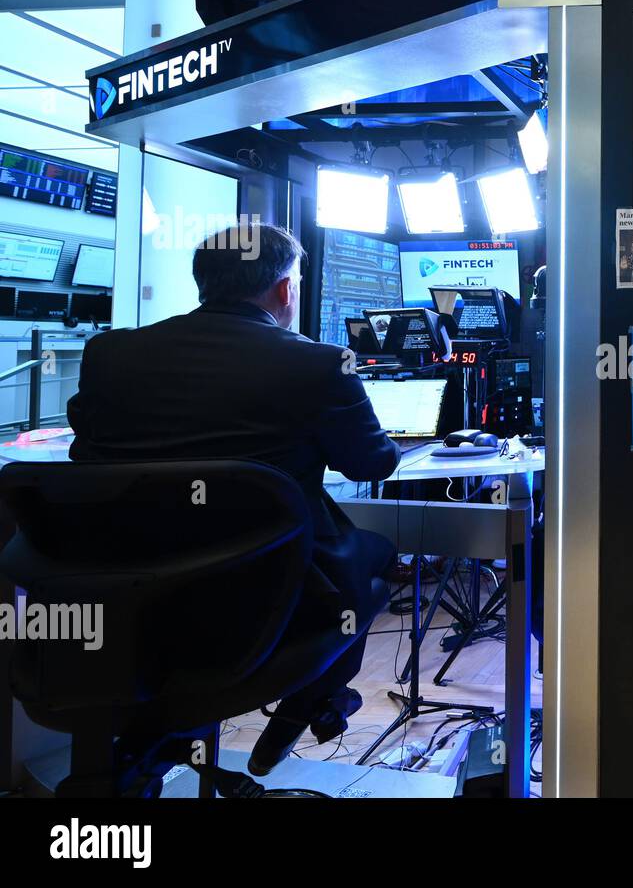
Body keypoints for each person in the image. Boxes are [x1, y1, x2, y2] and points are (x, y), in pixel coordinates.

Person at [66, 223, 401, 777]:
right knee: (377, 556)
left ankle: (156, 748)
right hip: (263, 593)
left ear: (205, 282)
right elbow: (372, 465)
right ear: (285, 291)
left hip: (129, 589)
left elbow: (86, 450)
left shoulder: (109, 353)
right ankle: (309, 701)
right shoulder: (319, 363)